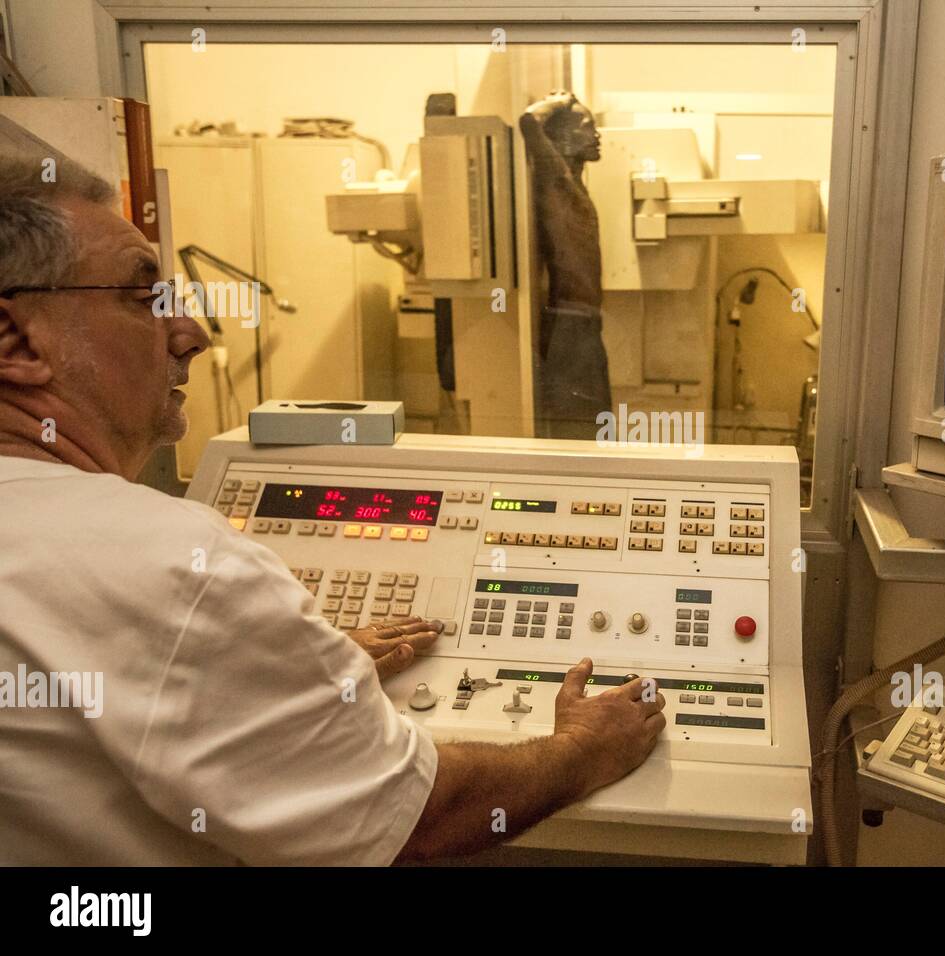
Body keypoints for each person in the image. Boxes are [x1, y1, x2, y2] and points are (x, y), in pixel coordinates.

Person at [0, 153, 665, 865]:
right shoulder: (175, 565)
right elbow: (415, 815)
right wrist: (581, 750)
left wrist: (277, 682)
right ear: (16, 342)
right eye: (142, 298)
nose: (189, 332)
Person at [519, 90, 613, 440]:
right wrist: (558, 102)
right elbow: (528, 122)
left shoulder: (574, 184)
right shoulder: (556, 181)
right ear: (563, 136)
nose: (597, 135)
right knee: (582, 432)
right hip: (570, 328)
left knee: (598, 426)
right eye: (587, 126)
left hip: (583, 325)